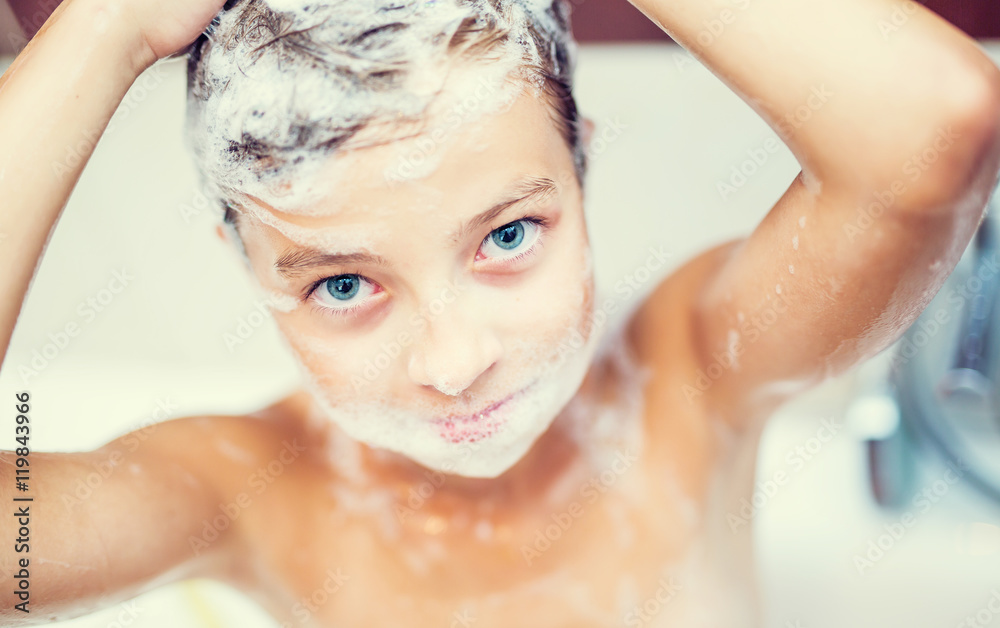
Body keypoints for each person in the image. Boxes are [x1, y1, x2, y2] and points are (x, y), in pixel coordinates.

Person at [1, 0, 999, 624]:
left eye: (508, 235)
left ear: (581, 162)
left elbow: (934, 127)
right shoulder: (248, 493)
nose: (454, 360)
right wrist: (103, 28)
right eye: (343, 285)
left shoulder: (690, 369)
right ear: (245, 265)